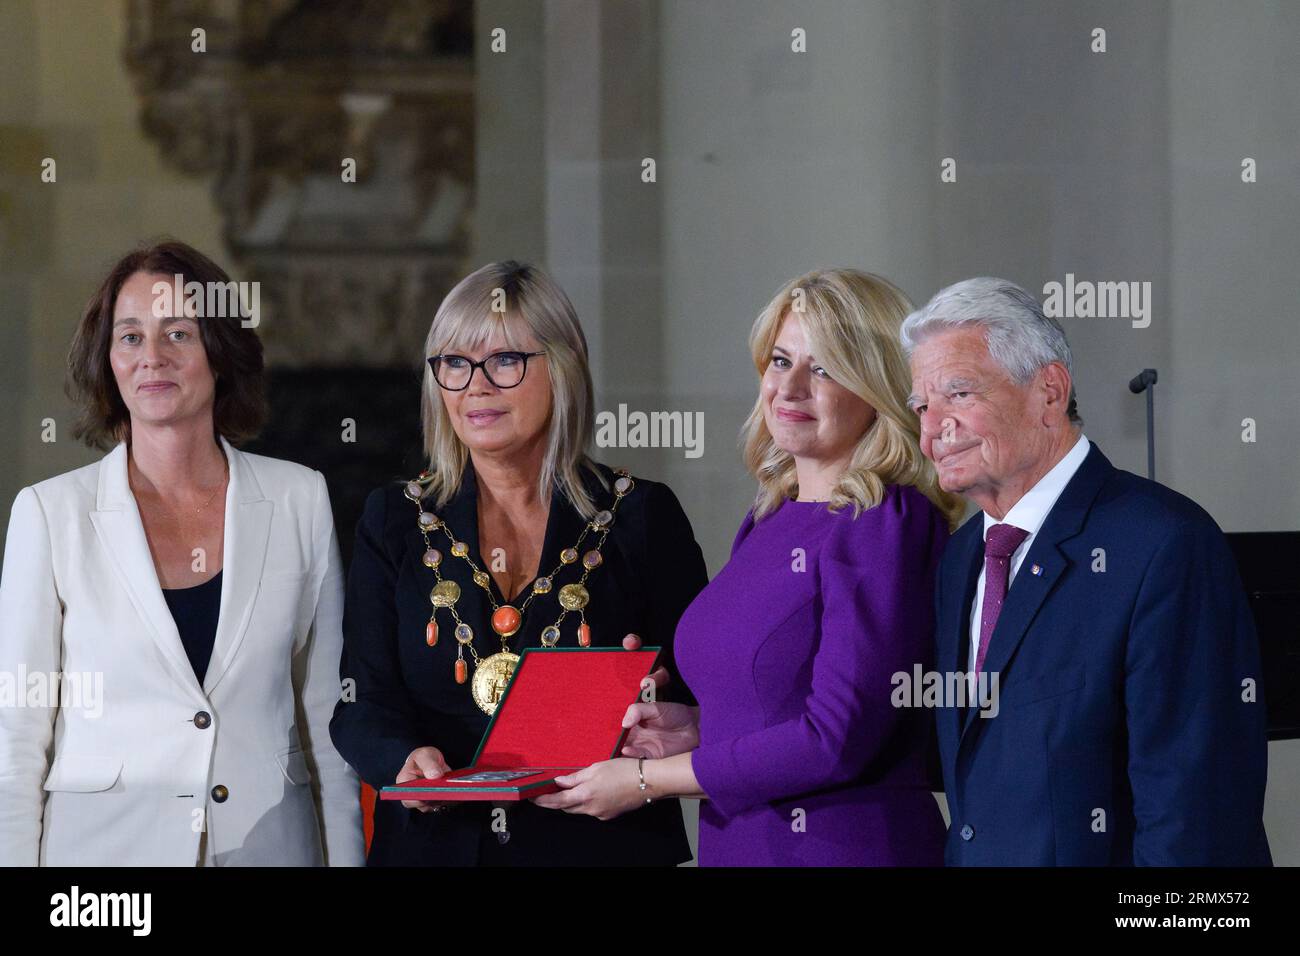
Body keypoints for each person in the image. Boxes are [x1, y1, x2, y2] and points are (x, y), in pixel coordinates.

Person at [536, 269, 963, 866]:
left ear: (878, 387)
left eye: (824, 369)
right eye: (780, 361)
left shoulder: (887, 522)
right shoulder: (771, 516)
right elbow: (774, 705)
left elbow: (835, 740)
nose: (789, 389)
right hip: (741, 845)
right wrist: (693, 729)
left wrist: (646, 781)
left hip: (842, 849)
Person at [329, 260, 707, 866]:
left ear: (562, 369)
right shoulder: (393, 519)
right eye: (454, 363)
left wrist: (665, 715)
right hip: (436, 852)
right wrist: (401, 757)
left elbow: (705, 695)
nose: (476, 386)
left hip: (600, 849)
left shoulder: (642, 516)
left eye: (505, 361)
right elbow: (360, 701)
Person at [0, 240, 364, 866]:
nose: (153, 358)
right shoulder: (49, 514)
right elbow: (16, 738)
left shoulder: (299, 498)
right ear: (108, 359)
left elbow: (329, 718)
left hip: (268, 848)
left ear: (220, 353)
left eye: (178, 333)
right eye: (131, 337)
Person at [901, 276, 1272, 866]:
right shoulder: (963, 557)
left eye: (958, 393)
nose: (932, 428)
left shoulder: (1162, 543)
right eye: (923, 405)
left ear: (1048, 392)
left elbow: (1198, 814)